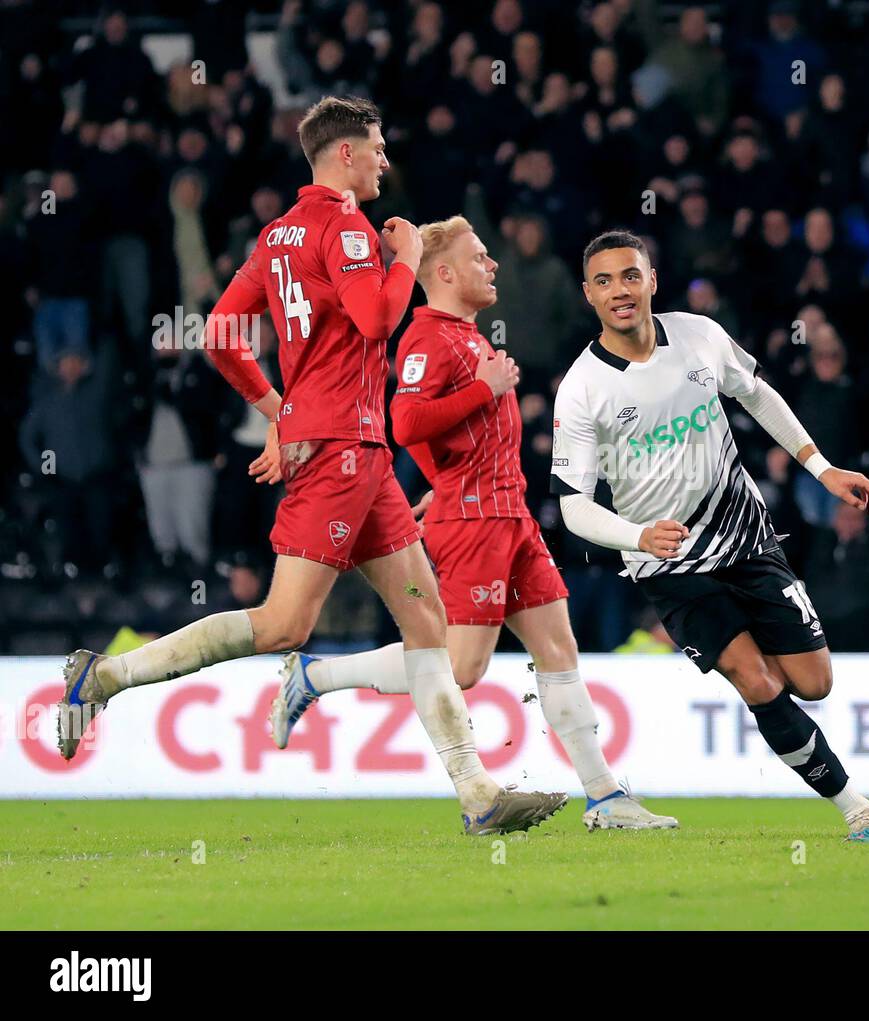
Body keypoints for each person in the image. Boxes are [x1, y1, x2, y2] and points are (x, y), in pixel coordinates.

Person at [57, 96, 564, 836]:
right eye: (379, 147)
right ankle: (101, 676)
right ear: (346, 155)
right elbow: (378, 321)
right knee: (283, 625)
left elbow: (223, 335)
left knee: (428, 621)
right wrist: (410, 260)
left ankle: (477, 792)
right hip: (339, 456)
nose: (387, 159)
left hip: (361, 455)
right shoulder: (347, 229)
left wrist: (282, 412)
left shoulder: (274, 236)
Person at [270, 215, 676, 831]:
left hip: (508, 516)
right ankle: (314, 675)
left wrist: (443, 480)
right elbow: (404, 423)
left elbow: (450, 436)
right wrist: (483, 394)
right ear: (444, 273)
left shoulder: (469, 337)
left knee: (558, 649)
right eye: (480, 256)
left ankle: (606, 799)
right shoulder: (426, 338)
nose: (493, 265)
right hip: (476, 524)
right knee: (460, 668)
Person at [550, 230, 869, 842]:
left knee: (815, 683)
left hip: (745, 533)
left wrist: (823, 468)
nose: (619, 290)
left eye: (630, 275)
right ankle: (855, 806)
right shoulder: (582, 389)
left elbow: (757, 395)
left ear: (651, 279)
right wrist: (636, 535)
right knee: (755, 679)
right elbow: (572, 506)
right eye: (604, 281)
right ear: (588, 296)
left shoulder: (700, 336)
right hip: (670, 561)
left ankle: (774, 691)